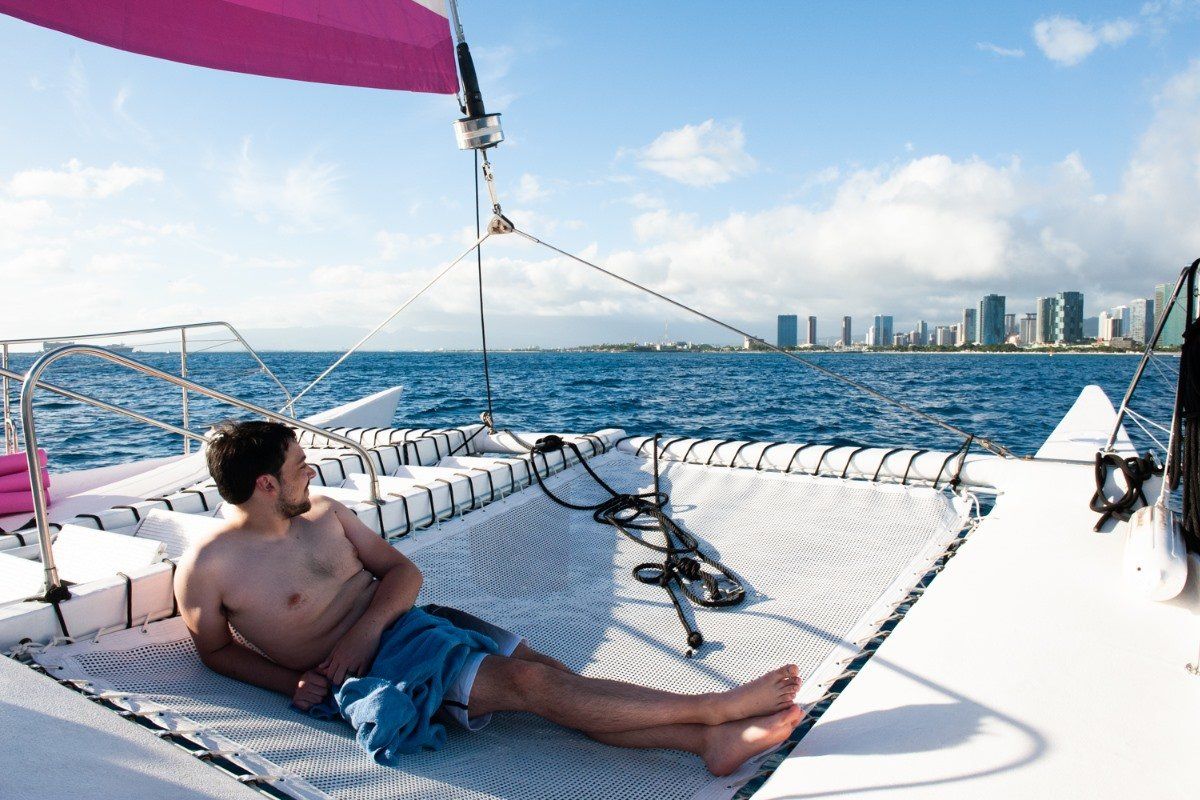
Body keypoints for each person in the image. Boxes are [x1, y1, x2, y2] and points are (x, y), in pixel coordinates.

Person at [175, 420, 802, 776]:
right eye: (299, 466)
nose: (310, 472)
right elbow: (216, 653)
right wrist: (292, 683)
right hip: (387, 670)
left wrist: (364, 628)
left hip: (411, 625)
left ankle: (704, 742)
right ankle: (716, 710)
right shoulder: (210, 568)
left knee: (553, 675)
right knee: (539, 691)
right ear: (265, 484)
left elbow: (403, 573)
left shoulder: (324, 512)